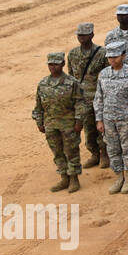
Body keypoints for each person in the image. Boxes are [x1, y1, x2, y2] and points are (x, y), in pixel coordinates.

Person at [93, 42, 128, 194]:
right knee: (113, 149)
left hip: (126, 119)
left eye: (115, 57)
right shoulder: (103, 74)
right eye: (110, 57)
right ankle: (119, 177)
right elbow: (99, 98)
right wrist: (99, 119)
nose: (112, 60)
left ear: (123, 56)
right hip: (108, 119)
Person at [34, 52, 86, 193]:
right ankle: (64, 177)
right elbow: (38, 105)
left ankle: (74, 178)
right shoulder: (43, 84)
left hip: (68, 123)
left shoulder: (72, 83)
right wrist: (39, 122)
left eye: (56, 64)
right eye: (51, 64)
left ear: (63, 64)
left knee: (71, 151)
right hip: (51, 124)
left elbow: (80, 103)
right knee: (57, 152)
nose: (53, 67)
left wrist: (79, 120)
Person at [68, 23, 108, 169]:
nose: (82, 38)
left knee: (101, 127)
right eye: (79, 35)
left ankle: (105, 153)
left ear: (92, 35)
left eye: (85, 35)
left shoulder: (102, 53)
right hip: (82, 100)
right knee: (88, 128)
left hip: (98, 97)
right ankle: (94, 154)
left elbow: (107, 75)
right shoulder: (73, 54)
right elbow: (71, 77)